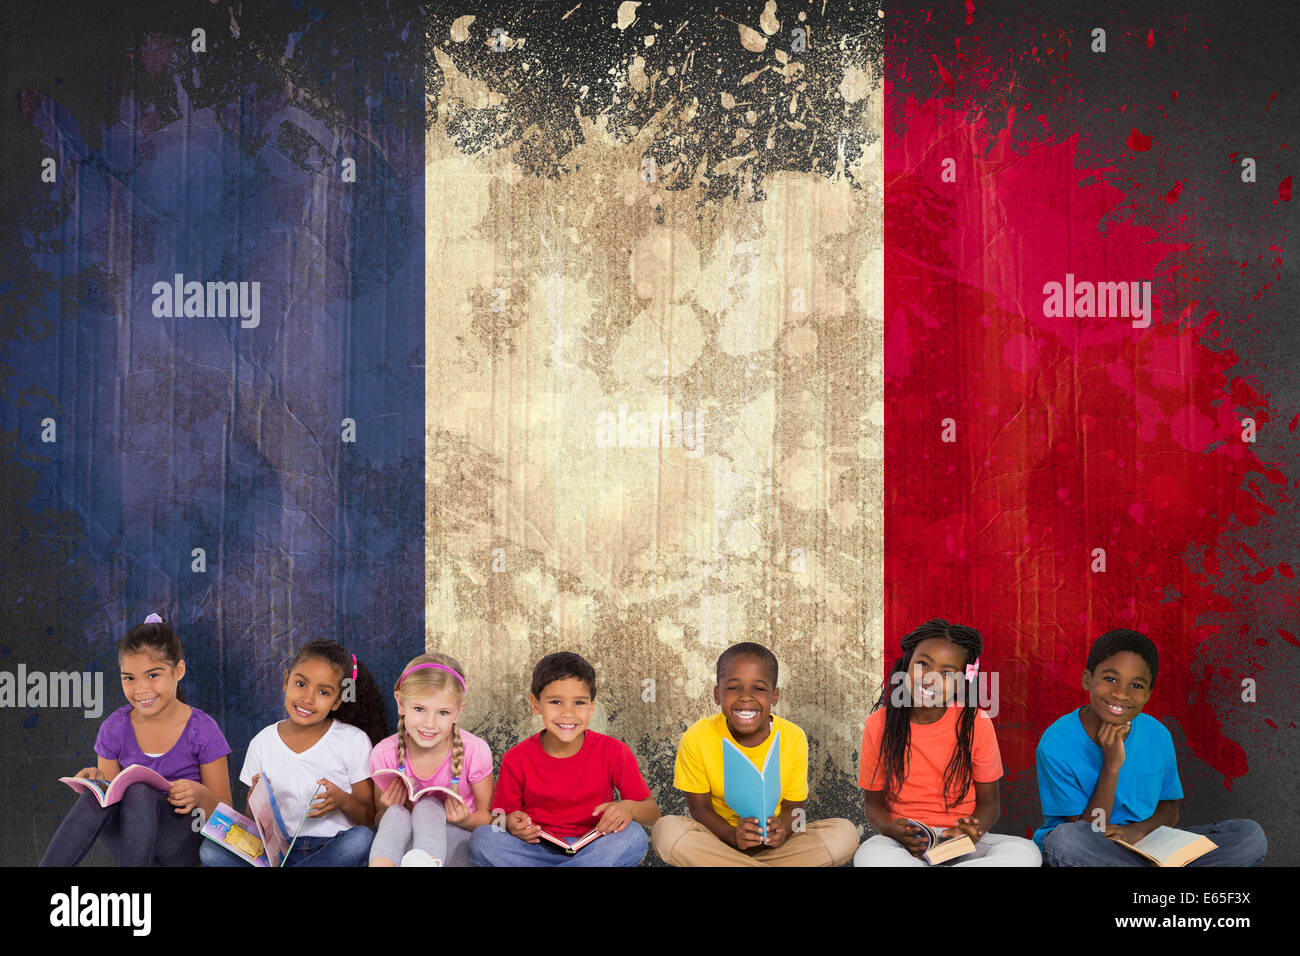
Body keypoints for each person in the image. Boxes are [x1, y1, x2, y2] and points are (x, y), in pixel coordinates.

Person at [1036, 628, 1266, 866]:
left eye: (1136, 685)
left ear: (1147, 694)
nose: (1121, 694)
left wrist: (1137, 832)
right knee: (1064, 841)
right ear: (1087, 679)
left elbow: (1170, 809)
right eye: (1110, 679)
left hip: (1146, 843)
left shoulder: (1158, 734)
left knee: (1248, 835)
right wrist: (1112, 766)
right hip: (1095, 848)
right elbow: (1090, 829)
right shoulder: (1056, 743)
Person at [41, 613, 232, 866]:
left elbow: (228, 821)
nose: (140, 689)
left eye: (153, 675)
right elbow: (110, 802)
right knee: (95, 797)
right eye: (129, 678)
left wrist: (201, 796)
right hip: (131, 843)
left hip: (182, 842)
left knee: (141, 792)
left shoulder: (202, 729)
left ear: (179, 670)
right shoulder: (115, 728)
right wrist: (97, 783)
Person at [653, 642, 859, 866]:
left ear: (774, 696)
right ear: (716, 694)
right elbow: (700, 810)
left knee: (844, 834)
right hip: (719, 844)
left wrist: (783, 830)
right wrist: (732, 835)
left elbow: (794, 808)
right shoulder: (696, 737)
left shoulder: (793, 737)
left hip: (776, 850)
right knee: (667, 831)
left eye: (759, 689)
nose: (746, 697)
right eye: (734, 688)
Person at [855, 619, 1040, 866]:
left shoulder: (976, 723)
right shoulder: (879, 723)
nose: (930, 679)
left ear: (963, 680)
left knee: (1025, 852)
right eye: (922, 664)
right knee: (870, 855)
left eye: (946, 673)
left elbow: (989, 803)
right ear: (906, 664)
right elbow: (873, 804)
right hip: (903, 842)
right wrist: (892, 829)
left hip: (960, 841)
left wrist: (972, 831)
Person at [200, 638, 387, 867]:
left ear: (337, 701)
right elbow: (253, 821)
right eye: (301, 684)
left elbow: (368, 818)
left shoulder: (353, 741)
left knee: (362, 840)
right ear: (286, 680)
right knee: (210, 849)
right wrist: (254, 803)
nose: (308, 698)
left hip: (329, 849)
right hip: (277, 853)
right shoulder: (263, 742)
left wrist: (342, 801)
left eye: (324, 692)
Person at [468, 651, 658, 866]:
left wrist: (629, 809)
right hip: (534, 850)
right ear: (536, 704)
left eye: (579, 702)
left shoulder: (614, 751)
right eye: (556, 702)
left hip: (594, 848)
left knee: (633, 835)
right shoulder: (516, 757)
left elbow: (652, 813)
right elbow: (500, 817)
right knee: (484, 838)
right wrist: (511, 823)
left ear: (592, 706)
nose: (568, 713)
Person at [369, 653, 494, 866]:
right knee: (395, 814)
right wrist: (385, 809)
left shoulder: (475, 750)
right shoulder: (383, 754)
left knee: (429, 805)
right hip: (405, 851)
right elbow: (379, 822)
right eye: (419, 709)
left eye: (443, 712)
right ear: (400, 703)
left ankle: (427, 861)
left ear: (457, 713)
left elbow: (489, 819)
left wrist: (466, 819)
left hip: (458, 843)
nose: (429, 723)